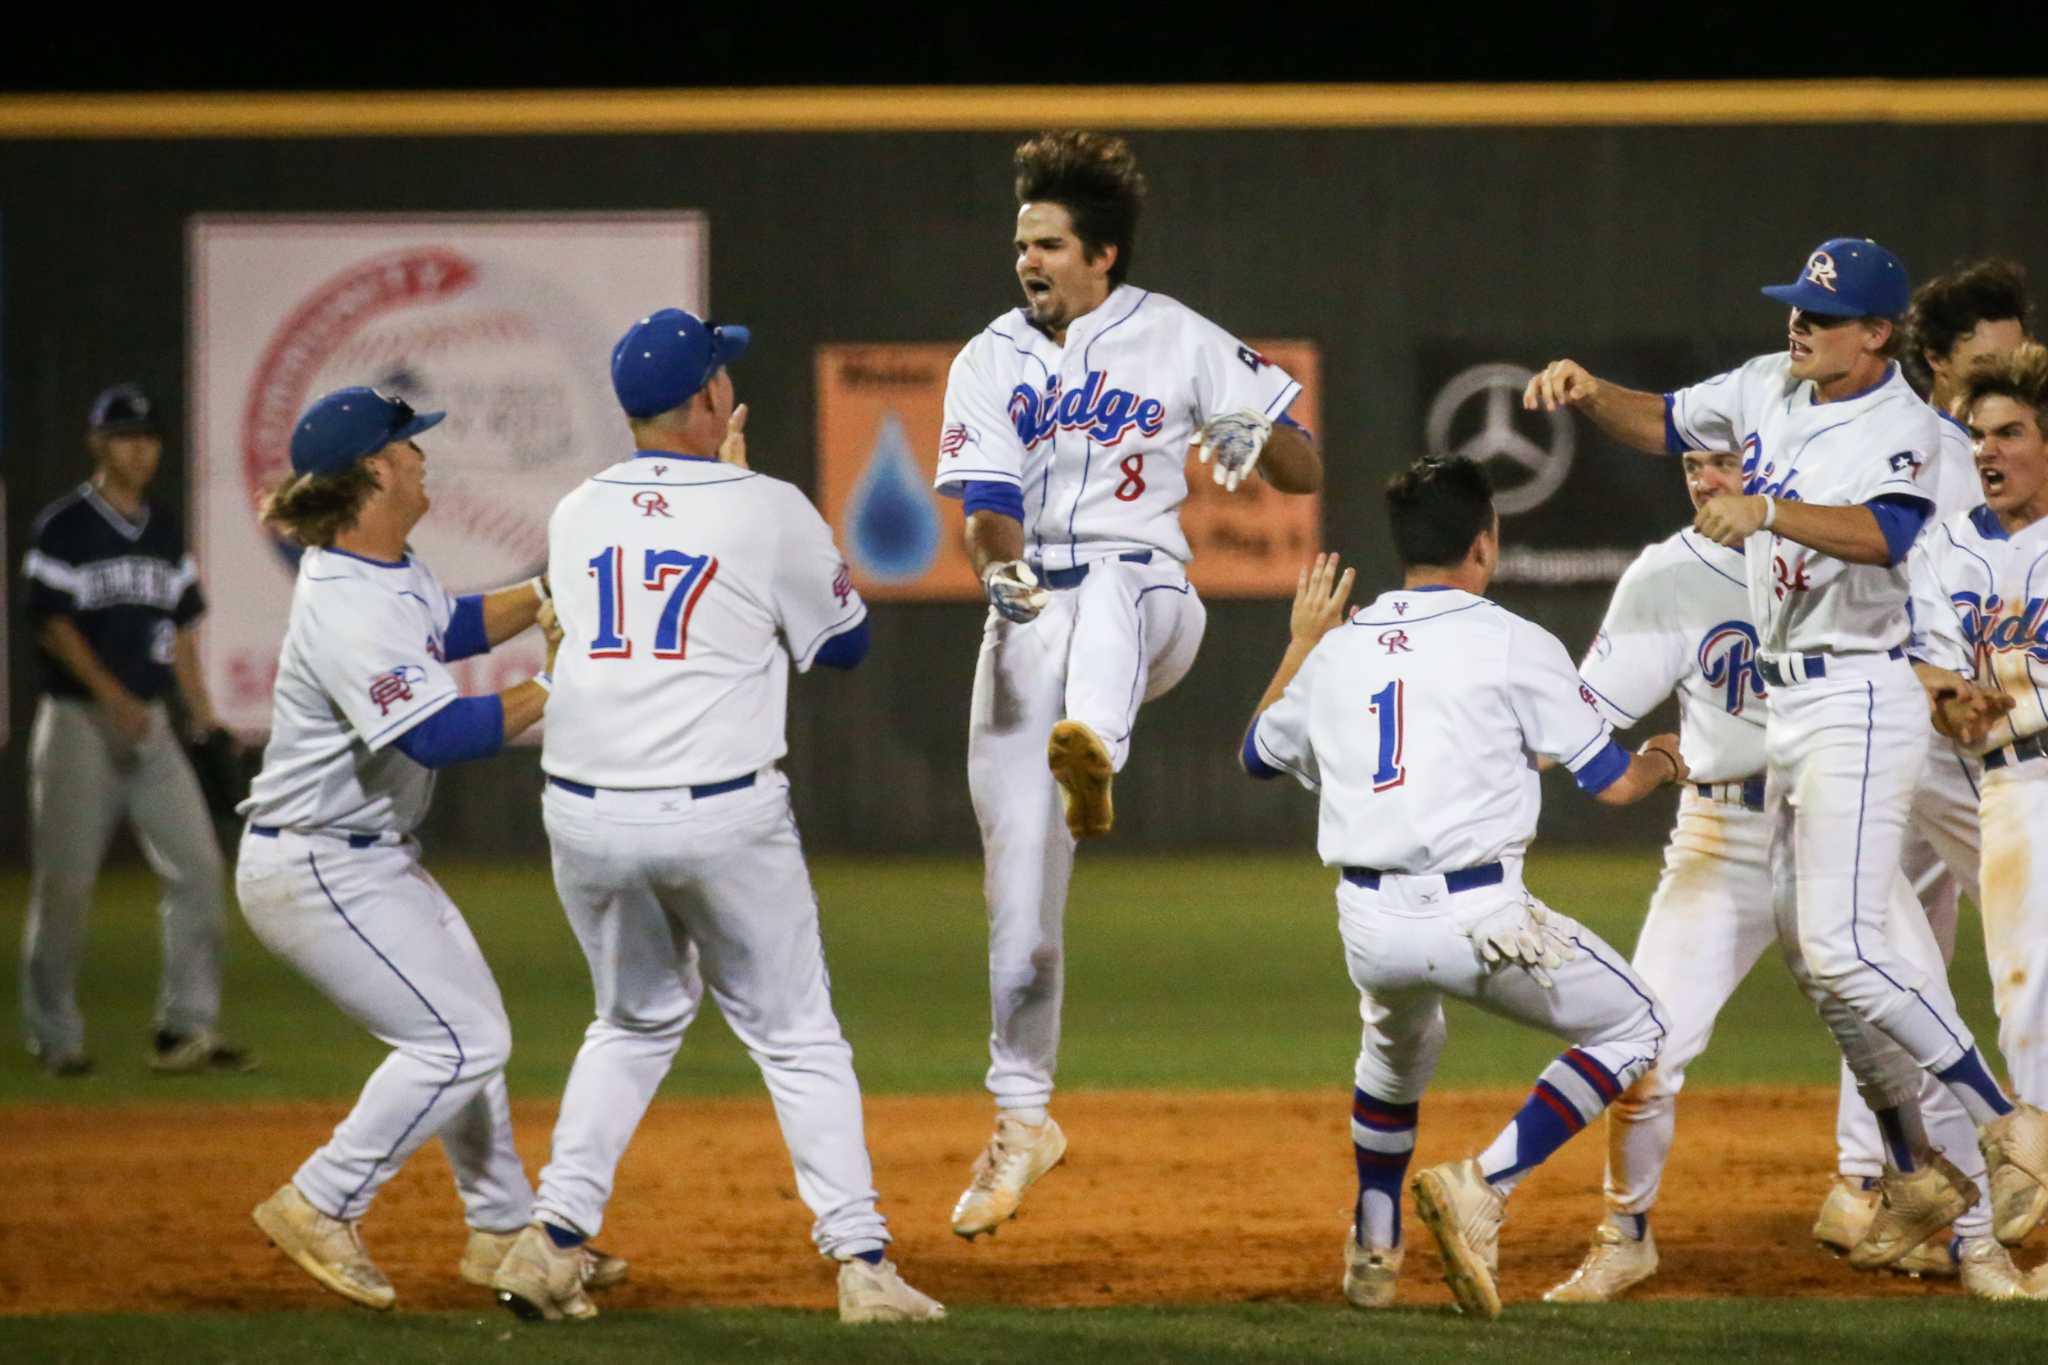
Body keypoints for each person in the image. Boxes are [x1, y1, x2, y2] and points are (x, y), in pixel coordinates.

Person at [1525, 236, 2048, 1275]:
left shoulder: (1905, 429)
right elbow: (1661, 419)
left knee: (1851, 949)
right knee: (1830, 961)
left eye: (1822, 315)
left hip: (1865, 685)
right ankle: (1904, 1169)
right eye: (1796, 307)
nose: (1798, 324)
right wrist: (1588, 393)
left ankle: (2006, 1125)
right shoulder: (1768, 382)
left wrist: (1764, 509)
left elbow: (1886, 532)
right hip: (1794, 699)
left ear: (1877, 334)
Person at [489, 310, 942, 1326]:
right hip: (717, 811)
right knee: (797, 1034)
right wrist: (756, 509)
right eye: (721, 375)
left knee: (631, 1020)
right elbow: (843, 645)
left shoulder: (575, 510)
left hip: (583, 812)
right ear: (706, 399)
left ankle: (550, 1239)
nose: (728, 386)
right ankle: (862, 1263)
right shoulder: (764, 506)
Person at [931, 129, 1323, 1239]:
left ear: (1101, 254)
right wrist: (999, 573)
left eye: (1049, 244)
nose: (1028, 260)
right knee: (1020, 911)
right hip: (1031, 620)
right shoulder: (988, 358)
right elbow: (986, 511)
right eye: (1022, 243)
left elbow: (1302, 467)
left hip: (1151, 603)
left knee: (1106, 580)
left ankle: (1095, 746)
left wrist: (1252, 430)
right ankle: (1020, 1121)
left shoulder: (1175, 335)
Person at [1242, 456, 1680, 1321]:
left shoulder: (1339, 648)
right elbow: (1612, 783)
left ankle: (1374, 1242)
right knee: (1638, 1024)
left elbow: (1256, 753)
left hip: (1370, 925)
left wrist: (1301, 643)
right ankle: (1485, 1183)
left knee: (1397, 1051)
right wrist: (1665, 759)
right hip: (1481, 917)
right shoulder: (1514, 640)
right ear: (1484, 543)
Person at [238, 386, 623, 1311]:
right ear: (375, 470)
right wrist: (558, 683)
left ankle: (499, 1229)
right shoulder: (344, 603)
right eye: (408, 444)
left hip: (365, 854)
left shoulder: (384, 568)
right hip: (314, 863)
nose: (422, 456)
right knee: (461, 1039)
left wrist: (548, 594)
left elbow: (445, 626)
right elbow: (438, 734)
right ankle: (321, 1199)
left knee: (468, 1031)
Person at [1820, 257, 2032, 1260]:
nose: (2012, 369)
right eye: (1989, 358)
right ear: (1938, 361)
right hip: (1928, 734)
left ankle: (1874, 1177)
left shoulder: (1952, 445)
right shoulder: (1925, 450)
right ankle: (1953, 1184)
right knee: (1934, 953)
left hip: (1922, 727)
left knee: (1882, 953)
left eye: (2021, 353)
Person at [19, 383, 251, 1077]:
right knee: (65, 885)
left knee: (199, 870)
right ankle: (55, 1036)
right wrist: (110, 693)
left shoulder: (163, 530)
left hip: (150, 724)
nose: (140, 450)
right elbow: (51, 623)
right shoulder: (65, 526)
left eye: (148, 438)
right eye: (125, 437)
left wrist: (200, 710)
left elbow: (182, 630)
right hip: (77, 722)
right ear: (98, 443)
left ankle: (185, 1028)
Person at [1908, 340, 2048, 1249]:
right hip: (2019, 785)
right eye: (1977, 436)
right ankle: (2034, 1180)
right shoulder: (1945, 547)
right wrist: (1951, 701)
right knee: (2027, 997)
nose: (1987, 451)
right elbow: (1932, 668)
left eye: (2010, 432)